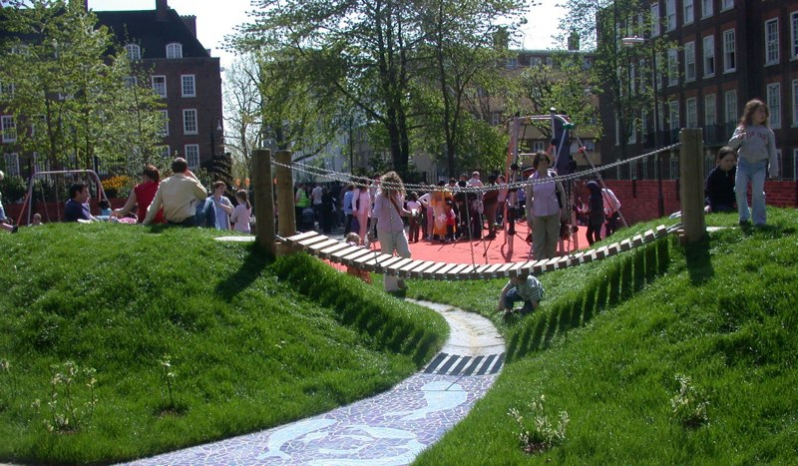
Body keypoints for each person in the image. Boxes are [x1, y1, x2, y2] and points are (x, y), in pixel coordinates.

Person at [727, 98, 779, 227]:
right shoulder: (742, 128)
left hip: (759, 166)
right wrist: (738, 138)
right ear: (751, 113)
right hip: (743, 164)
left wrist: (773, 170)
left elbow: (772, 151)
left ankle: (759, 220)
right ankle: (744, 216)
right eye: (759, 111)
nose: (763, 114)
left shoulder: (767, 132)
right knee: (739, 189)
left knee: (758, 192)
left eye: (764, 112)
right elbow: (731, 145)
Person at [373, 171, 411, 292]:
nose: (394, 187)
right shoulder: (380, 196)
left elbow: (401, 211)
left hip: (399, 229)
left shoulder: (398, 195)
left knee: (406, 253)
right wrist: (371, 230)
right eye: (392, 184)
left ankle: (400, 277)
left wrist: (412, 213)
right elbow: (375, 213)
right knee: (388, 258)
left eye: (396, 184)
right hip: (384, 230)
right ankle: (391, 288)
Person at [143, 157, 209, 226]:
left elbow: (155, 205)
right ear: (186, 169)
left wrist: (145, 222)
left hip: (170, 221)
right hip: (188, 221)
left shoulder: (164, 183)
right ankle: (214, 228)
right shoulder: (190, 182)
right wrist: (194, 177)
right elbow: (204, 195)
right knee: (208, 201)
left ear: (173, 169)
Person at [525, 152, 566, 260]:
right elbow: (528, 199)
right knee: (538, 242)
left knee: (552, 241)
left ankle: (550, 266)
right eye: (541, 160)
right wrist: (528, 216)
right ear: (536, 162)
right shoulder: (531, 179)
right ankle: (539, 266)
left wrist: (564, 208)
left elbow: (561, 192)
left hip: (553, 212)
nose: (543, 162)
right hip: (538, 214)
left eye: (545, 160)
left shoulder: (553, 175)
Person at [705, 146, 737, 213]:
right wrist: (708, 205)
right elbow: (708, 192)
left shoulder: (737, 172)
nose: (730, 163)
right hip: (718, 204)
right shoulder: (714, 175)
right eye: (727, 161)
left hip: (734, 203)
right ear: (720, 161)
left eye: (732, 160)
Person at [585, 181, 605, 245]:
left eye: (588, 189)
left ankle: (600, 247)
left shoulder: (597, 197)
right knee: (588, 234)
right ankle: (592, 246)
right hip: (592, 219)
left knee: (597, 235)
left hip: (598, 219)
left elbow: (599, 210)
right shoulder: (591, 197)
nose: (587, 191)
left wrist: (590, 213)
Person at [482, 174, 499, 239]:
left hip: (492, 203)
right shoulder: (492, 185)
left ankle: (492, 233)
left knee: (491, 219)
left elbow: (490, 194)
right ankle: (492, 232)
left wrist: (484, 195)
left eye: (489, 179)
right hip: (490, 203)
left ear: (492, 179)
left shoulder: (494, 186)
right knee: (491, 219)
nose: (488, 180)